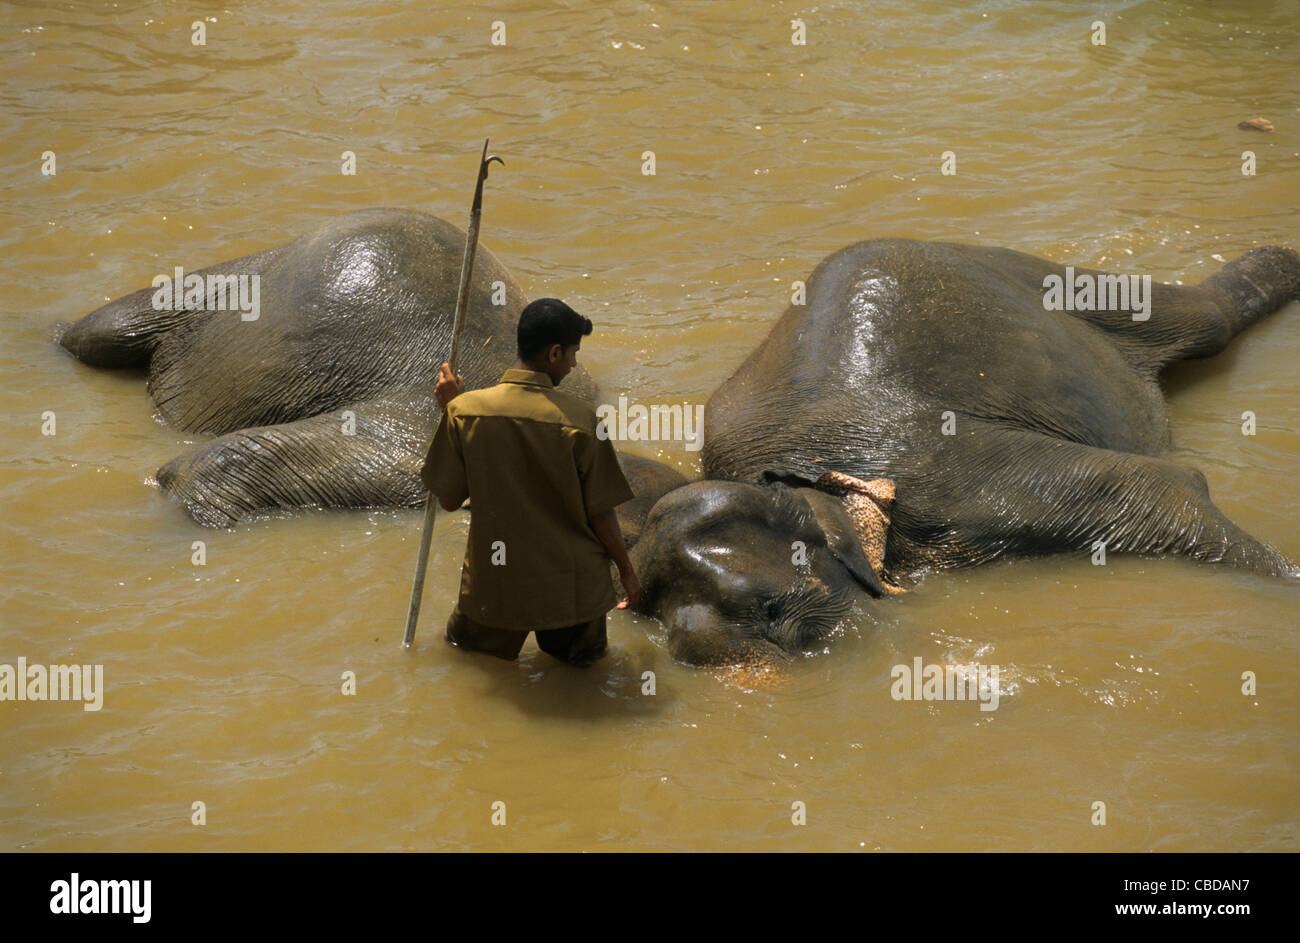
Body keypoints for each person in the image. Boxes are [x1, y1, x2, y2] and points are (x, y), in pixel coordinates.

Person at [419, 298, 640, 666]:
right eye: (572, 355)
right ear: (554, 354)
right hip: (571, 589)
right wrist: (627, 572)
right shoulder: (583, 420)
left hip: (495, 587)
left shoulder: (464, 412)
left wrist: (450, 412)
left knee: (469, 667)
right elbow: (601, 513)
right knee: (581, 682)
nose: (573, 365)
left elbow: (448, 500)